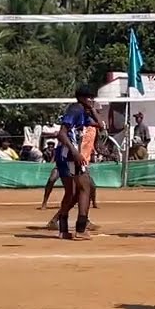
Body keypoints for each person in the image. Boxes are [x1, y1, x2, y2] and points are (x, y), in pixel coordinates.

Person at [53, 86, 98, 239]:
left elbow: (100, 125)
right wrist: (75, 152)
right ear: (80, 98)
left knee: (73, 192)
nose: (91, 100)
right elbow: (62, 134)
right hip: (69, 155)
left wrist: (92, 110)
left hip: (70, 155)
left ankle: (63, 228)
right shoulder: (76, 110)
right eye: (88, 97)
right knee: (85, 187)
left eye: (93, 97)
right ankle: (80, 228)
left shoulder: (83, 111)